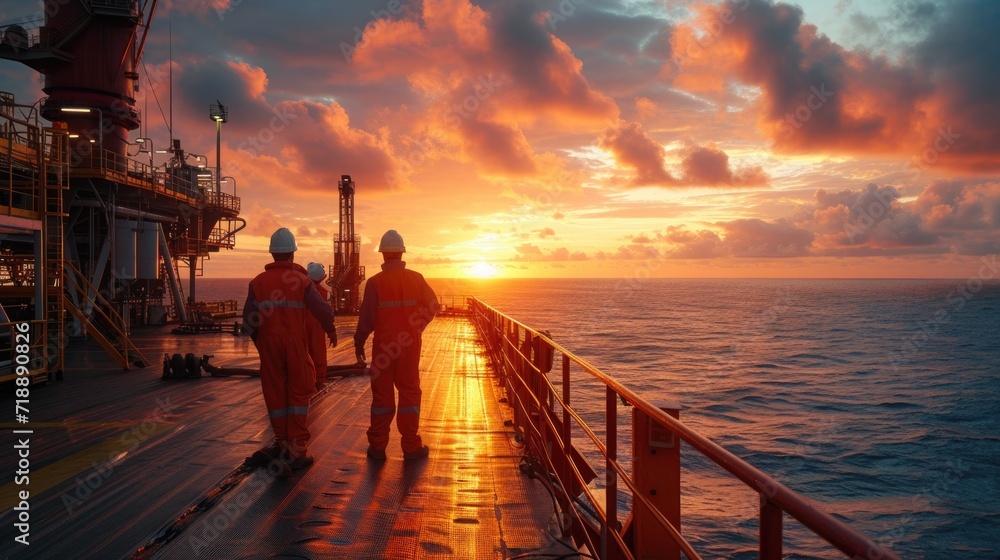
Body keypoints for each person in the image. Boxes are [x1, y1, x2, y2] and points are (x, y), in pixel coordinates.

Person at [242, 228, 337, 472]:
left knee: (275, 395)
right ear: (293, 254)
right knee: (299, 393)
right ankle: (297, 449)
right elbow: (322, 310)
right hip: (294, 343)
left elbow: (248, 320)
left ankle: (283, 444)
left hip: (269, 344)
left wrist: (261, 343)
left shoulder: (257, 282)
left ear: (272, 253)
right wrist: (331, 330)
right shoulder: (303, 281)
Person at [354, 229, 438, 461]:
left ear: (382, 255)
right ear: (401, 253)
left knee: (382, 396)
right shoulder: (416, 278)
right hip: (409, 346)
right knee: (410, 392)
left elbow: (367, 319)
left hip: (383, 347)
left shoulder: (375, 283)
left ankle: (378, 448)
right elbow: (433, 304)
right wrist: (417, 327)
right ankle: (411, 447)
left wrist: (359, 341)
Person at [306, 262, 331, 391]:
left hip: (302, 324)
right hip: (317, 325)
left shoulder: (300, 287)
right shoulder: (321, 291)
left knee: (304, 352)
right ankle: (319, 378)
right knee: (318, 351)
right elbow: (327, 301)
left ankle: (304, 377)